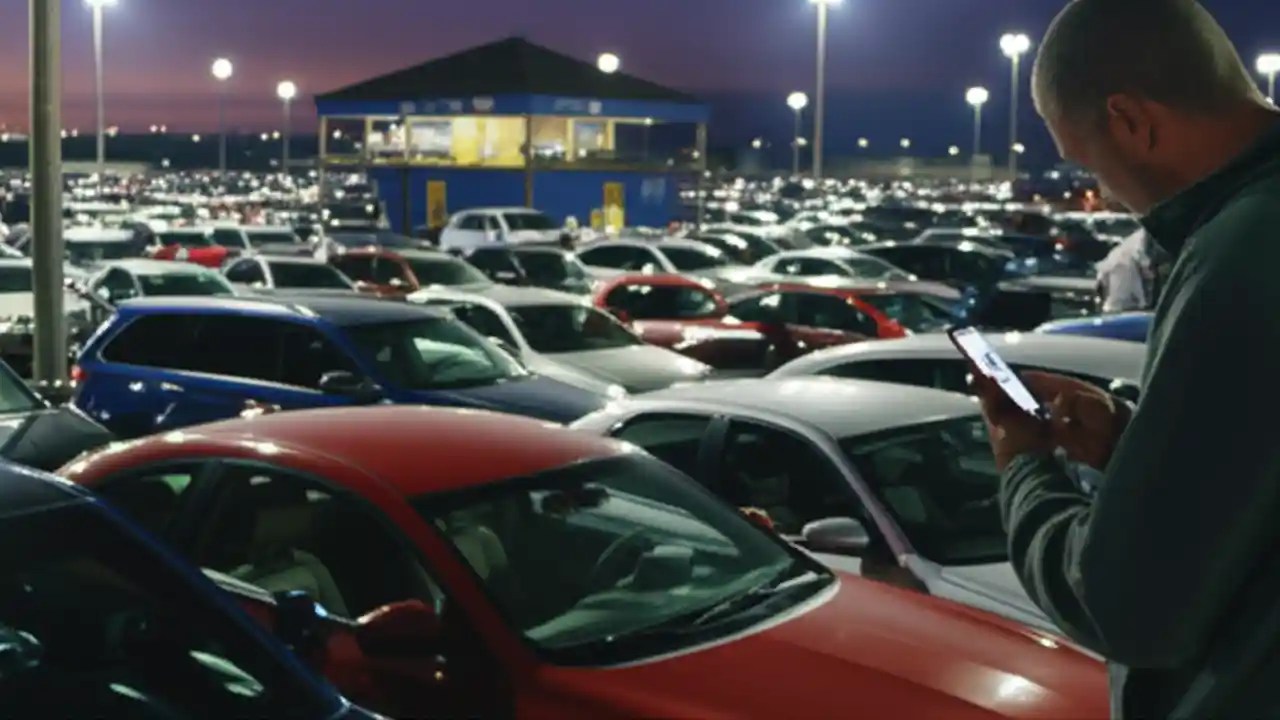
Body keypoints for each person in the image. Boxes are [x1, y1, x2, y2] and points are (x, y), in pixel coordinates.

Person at [971, 1, 1280, 718]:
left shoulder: (1242, 252)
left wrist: (1023, 468)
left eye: (1090, 162)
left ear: (1131, 121)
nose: (1105, 194)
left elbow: (1131, 606)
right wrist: (1135, 441)